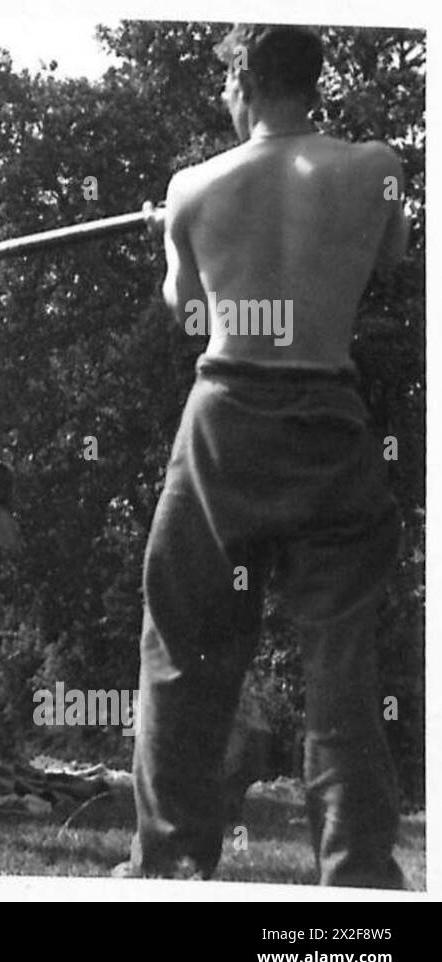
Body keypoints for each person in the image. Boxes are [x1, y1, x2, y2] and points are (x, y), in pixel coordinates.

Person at [117, 24, 409, 886]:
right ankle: (357, 872)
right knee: (341, 658)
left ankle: (170, 862)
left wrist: (171, 235)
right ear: (313, 81)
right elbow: (386, 257)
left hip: (226, 416)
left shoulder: (192, 187)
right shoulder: (377, 165)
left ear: (241, 80)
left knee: (181, 649)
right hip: (327, 410)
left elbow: (190, 315)